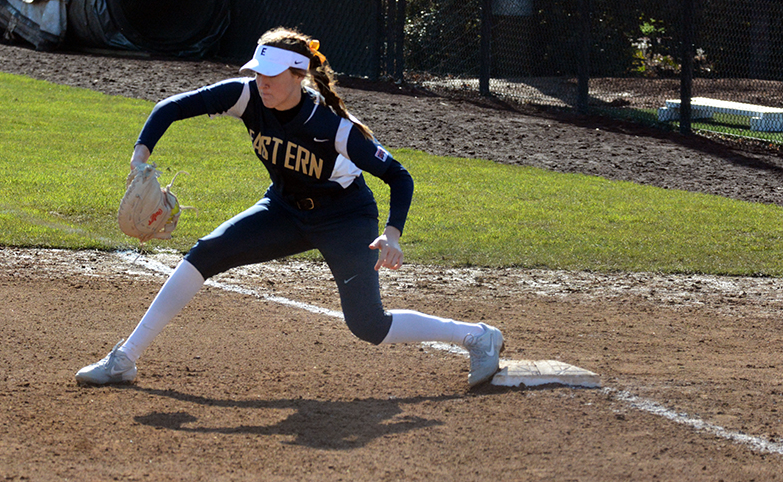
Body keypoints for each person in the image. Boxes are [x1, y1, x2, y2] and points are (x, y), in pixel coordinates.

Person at [76, 27, 504, 387]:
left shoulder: (335, 129)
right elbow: (170, 107)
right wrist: (140, 156)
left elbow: (400, 177)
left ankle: (477, 337)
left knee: (369, 325)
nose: (262, 81)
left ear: (298, 75)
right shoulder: (246, 97)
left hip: (344, 218)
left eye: (272, 74)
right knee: (204, 253)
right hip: (283, 209)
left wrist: (391, 233)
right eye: (258, 72)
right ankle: (125, 359)